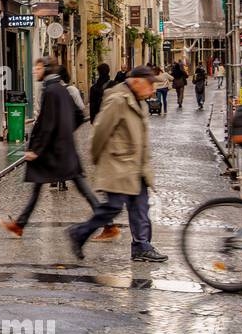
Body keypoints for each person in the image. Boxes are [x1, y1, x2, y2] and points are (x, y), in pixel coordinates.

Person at [67, 66, 168, 263]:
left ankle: (141, 246)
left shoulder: (139, 102)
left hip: (135, 166)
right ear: (137, 82)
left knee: (140, 207)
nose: (153, 90)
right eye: (150, 84)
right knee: (113, 208)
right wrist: (98, 160)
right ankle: (79, 233)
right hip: (118, 165)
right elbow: (100, 132)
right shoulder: (117, 100)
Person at [2, 58, 113, 238]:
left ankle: (108, 224)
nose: (34, 71)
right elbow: (78, 114)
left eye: (37, 68)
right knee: (45, 187)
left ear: (45, 69)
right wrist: (66, 134)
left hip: (54, 152)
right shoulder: (60, 88)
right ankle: (20, 224)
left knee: (79, 187)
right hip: (61, 149)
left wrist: (36, 149)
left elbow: (47, 123)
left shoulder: (51, 91)